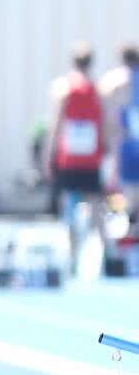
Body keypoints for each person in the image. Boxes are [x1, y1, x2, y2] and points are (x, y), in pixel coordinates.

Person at [49, 43, 108, 273]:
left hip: (70, 158)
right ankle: (107, 251)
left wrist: (49, 154)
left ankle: (73, 255)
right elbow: (106, 124)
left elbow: (56, 124)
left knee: (70, 204)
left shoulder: (63, 88)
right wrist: (106, 150)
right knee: (96, 204)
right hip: (91, 157)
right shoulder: (98, 89)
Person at [100, 43, 139, 222]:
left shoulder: (114, 81)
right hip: (129, 140)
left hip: (127, 144)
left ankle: (130, 222)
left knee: (125, 190)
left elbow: (109, 117)